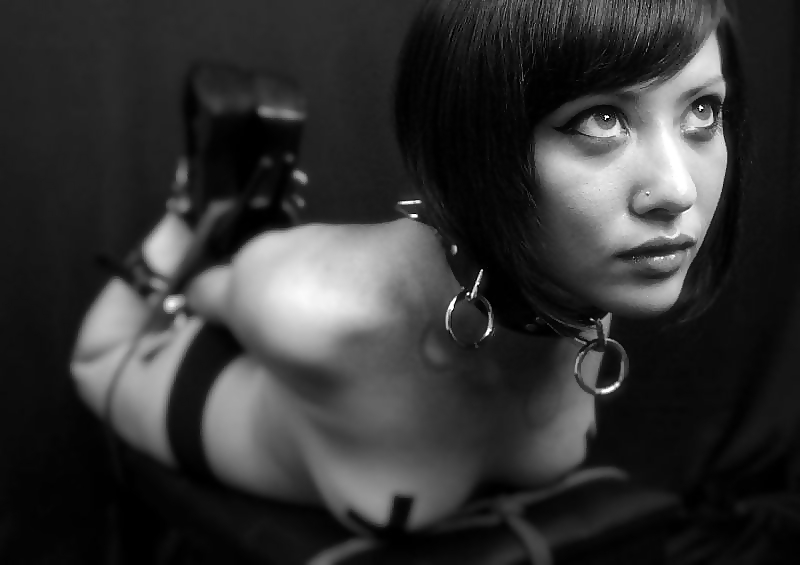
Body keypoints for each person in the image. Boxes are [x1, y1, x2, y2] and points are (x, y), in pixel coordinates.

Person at [70, 0, 746, 537]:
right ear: (473, 140)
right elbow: (195, 298)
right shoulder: (315, 303)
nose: (677, 190)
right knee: (145, 315)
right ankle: (203, 203)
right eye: (601, 118)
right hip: (155, 371)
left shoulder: (587, 271)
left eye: (702, 111)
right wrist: (202, 224)